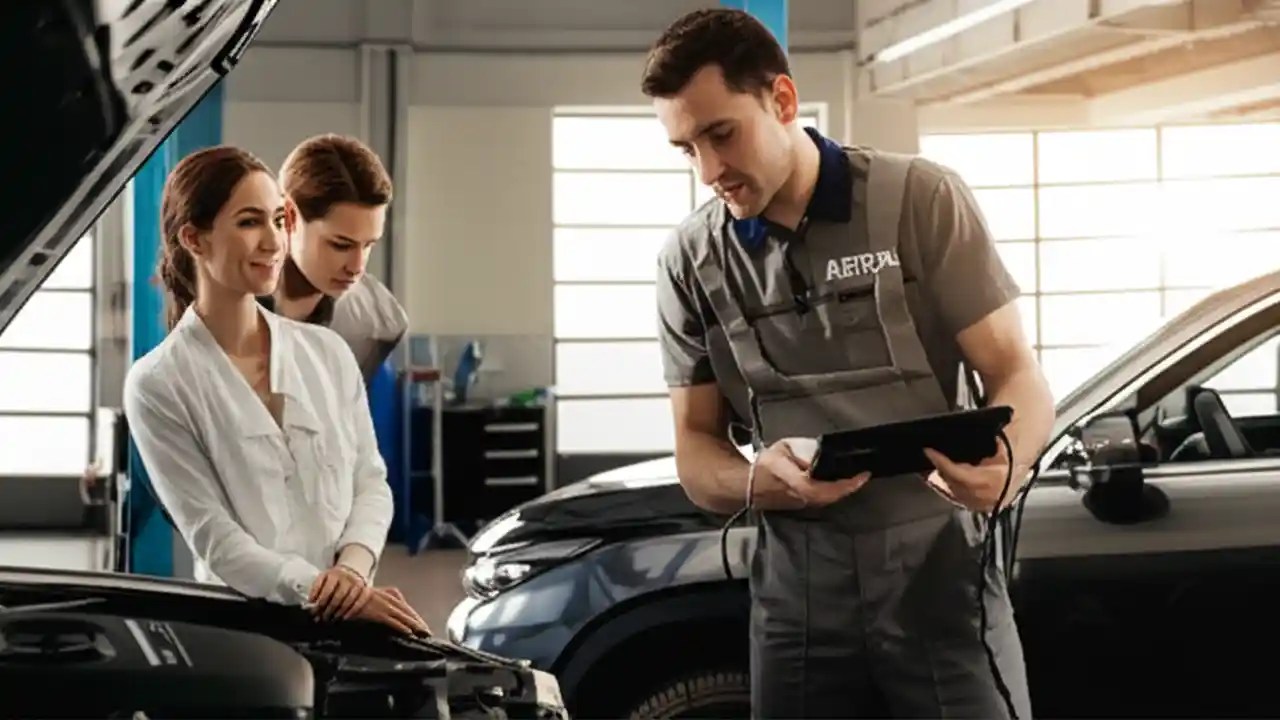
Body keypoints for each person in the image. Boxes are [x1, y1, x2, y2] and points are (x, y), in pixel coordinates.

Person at [643, 9, 1055, 719]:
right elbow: (694, 450)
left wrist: (1009, 465)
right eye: (686, 149)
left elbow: (1017, 372)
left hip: (941, 582)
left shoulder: (921, 201)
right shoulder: (690, 261)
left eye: (721, 134)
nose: (709, 172)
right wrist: (752, 481)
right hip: (798, 600)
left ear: (782, 101)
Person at [123, 145, 429, 636]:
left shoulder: (329, 351)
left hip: (350, 613)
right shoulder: (158, 383)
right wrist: (321, 590)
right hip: (246, 630)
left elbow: (369, 481)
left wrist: (352, 572)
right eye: (249, 223)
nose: (272, 241)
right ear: (194, 240)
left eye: (276, 220)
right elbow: (216, 539)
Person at [258, 133, 409, 384]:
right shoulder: (225, 304)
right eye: (341, 245)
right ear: (289, 217)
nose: (357, 267)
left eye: (368, 245)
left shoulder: (379, 322)